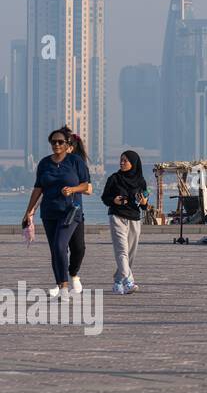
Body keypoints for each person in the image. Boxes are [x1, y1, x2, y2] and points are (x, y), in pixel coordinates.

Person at [22, 127, 93, 298]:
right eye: (53, 142)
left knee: (65, 246)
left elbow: (86, 185)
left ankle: (69, 280)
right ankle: (62, 286)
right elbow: (38, 188)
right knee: (56, 249)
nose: (56, 144)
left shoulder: (76, 161)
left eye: (60, 141)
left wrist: (73, 189)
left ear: (67, 144)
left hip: (70, 212)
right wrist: (28, 212)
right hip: (49, 213)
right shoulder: (44, 163)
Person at [102, 150, 149, 294]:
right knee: (122, 250)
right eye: (121, 160)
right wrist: (114, 200)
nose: (121, 163)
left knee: (130, 253)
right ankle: (129, 282)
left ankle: (117, 282)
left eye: (125, 160)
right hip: (117, 216)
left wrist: (144, 202)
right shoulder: (114, 178)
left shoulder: (140, 181)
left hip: (134, 218)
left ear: (133, 163)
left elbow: (143, 205)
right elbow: (105, 198)